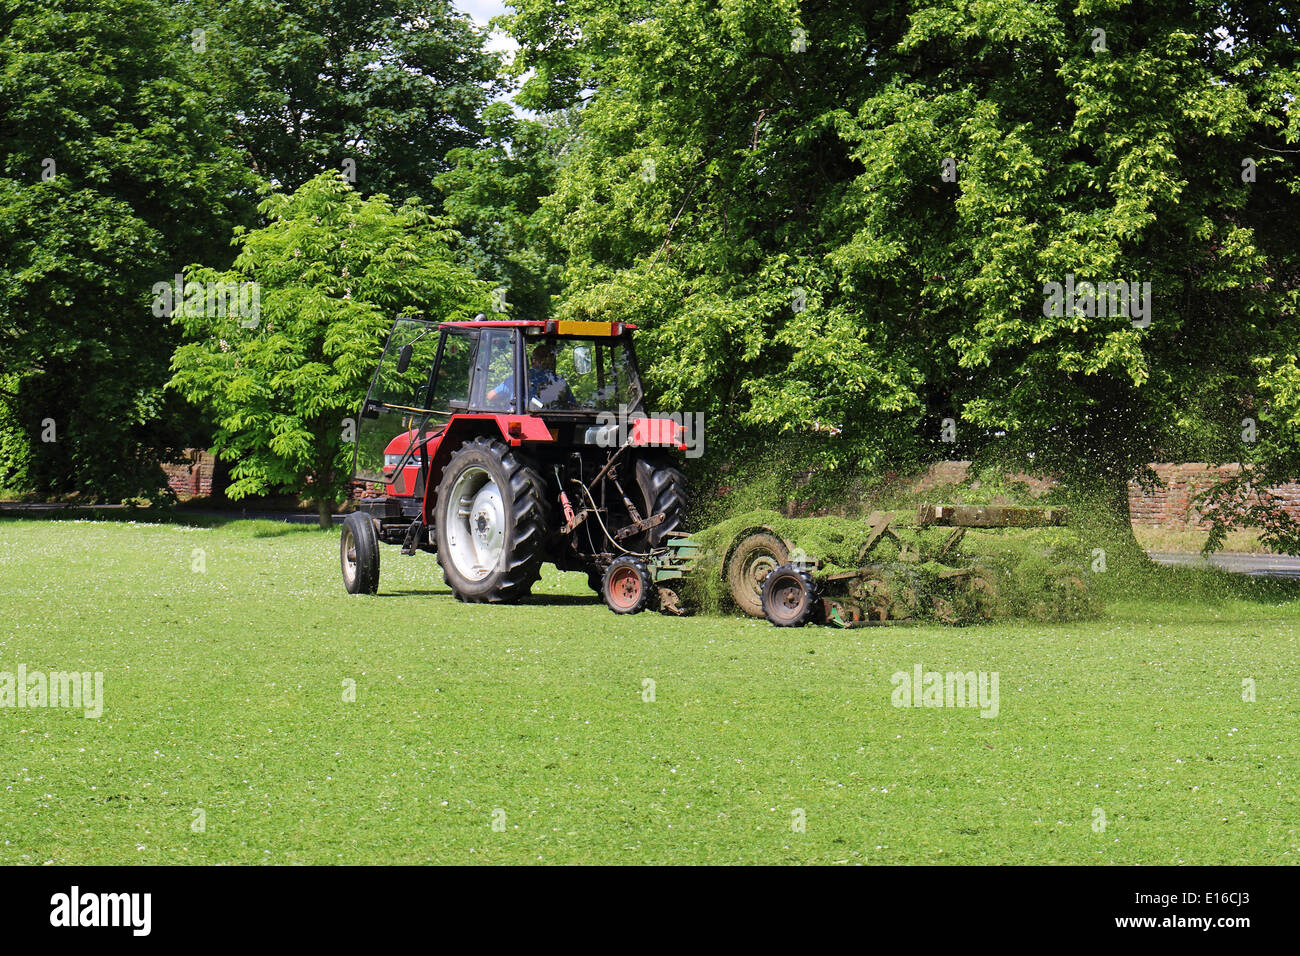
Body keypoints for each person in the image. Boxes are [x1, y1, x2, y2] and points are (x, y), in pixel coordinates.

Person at [486, 341, 576, 409]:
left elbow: (491, 396)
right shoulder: (559, 380)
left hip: (524, 421)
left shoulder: (520, 377)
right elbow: (573, 406)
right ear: (552, 361)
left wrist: (504, 406)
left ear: (534, 361)